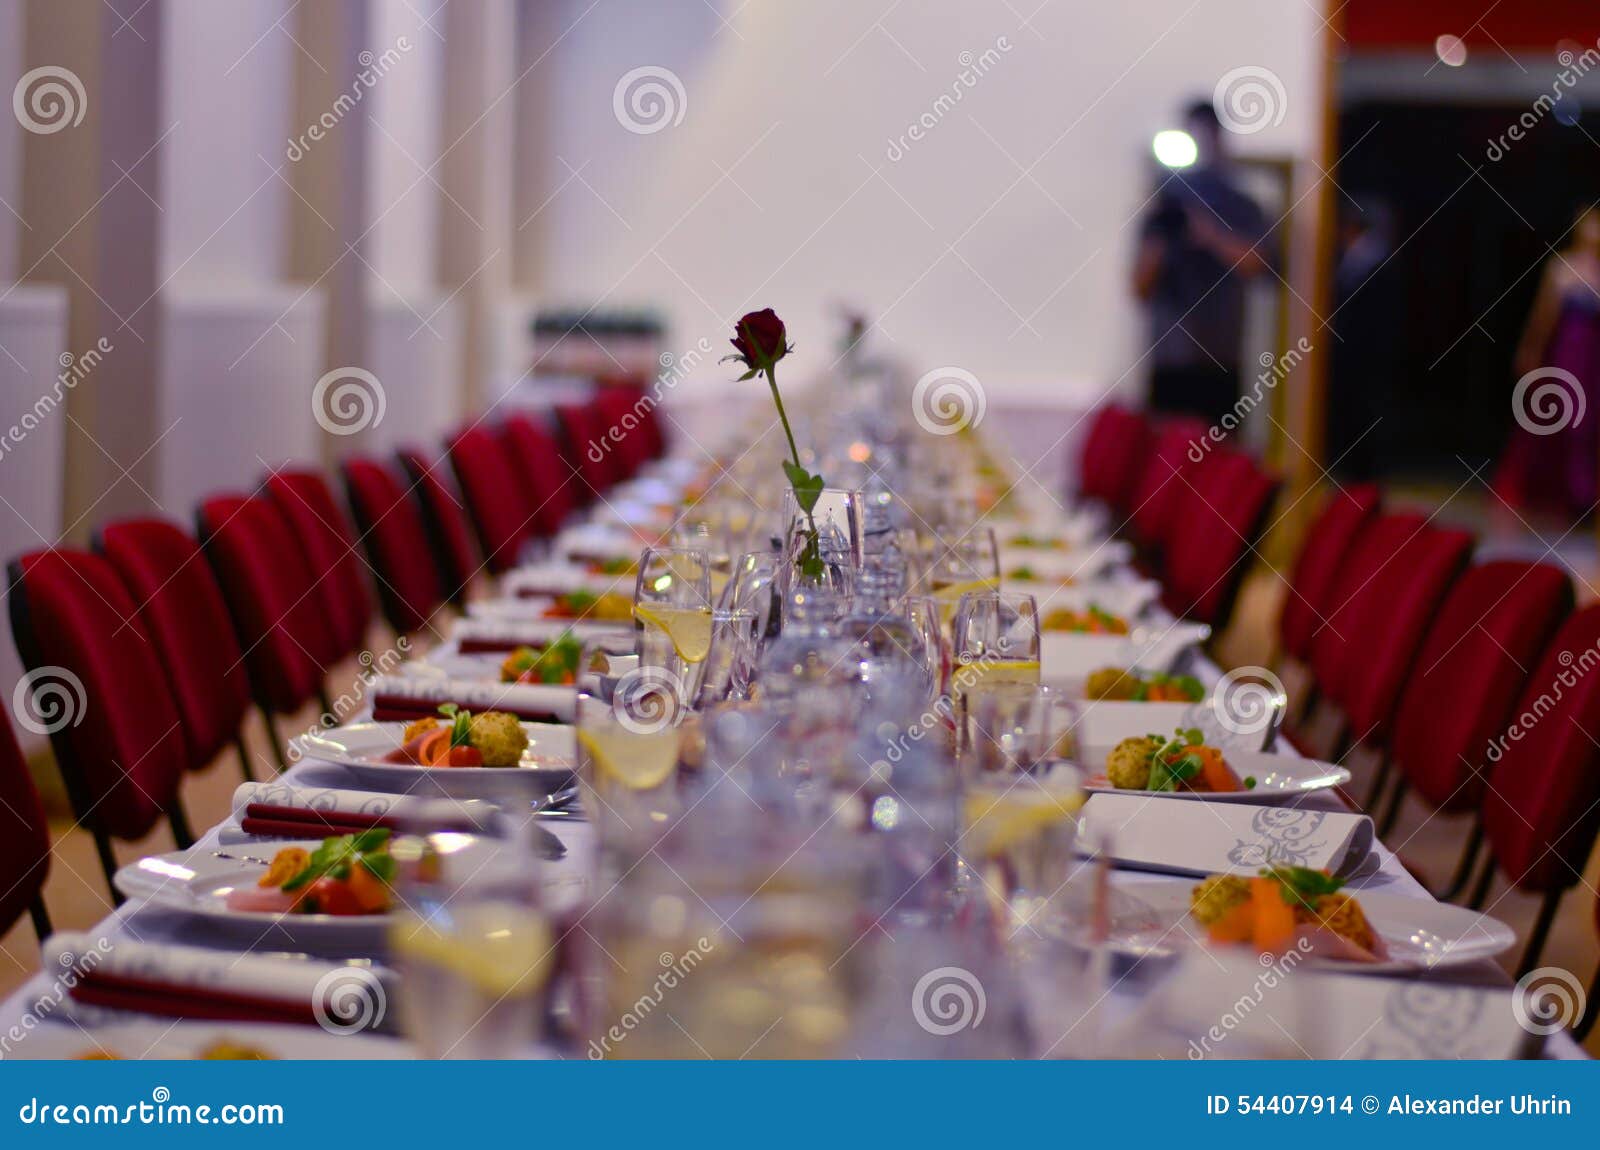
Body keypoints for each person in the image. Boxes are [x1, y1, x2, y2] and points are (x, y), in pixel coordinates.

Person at [1132, 100, 1274, 424]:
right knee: (1166, 461)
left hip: (1220, 358)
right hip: (1169, 358)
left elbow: (1258, 267)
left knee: (1217, 461)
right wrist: (1161, 236)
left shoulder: (1240, 206)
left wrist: (1211, 236)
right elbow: (1139, 288)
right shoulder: (1163, 209)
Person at [1495, 203, 1600, 522]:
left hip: (1595, 360)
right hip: (1568, 354)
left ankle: (1584, 496)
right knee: (1563, 419)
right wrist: (1531, 350)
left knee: (1590, 424)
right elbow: (1543, 317)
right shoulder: (1562, 267)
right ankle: (1562, 494)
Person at [1326, 198, 1398, 481]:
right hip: (1346, 356)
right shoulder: (1349, 259)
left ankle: (1364, 476)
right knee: (1347, 416)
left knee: (1365, 418)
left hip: (1366, 358)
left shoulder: (1378, 261)